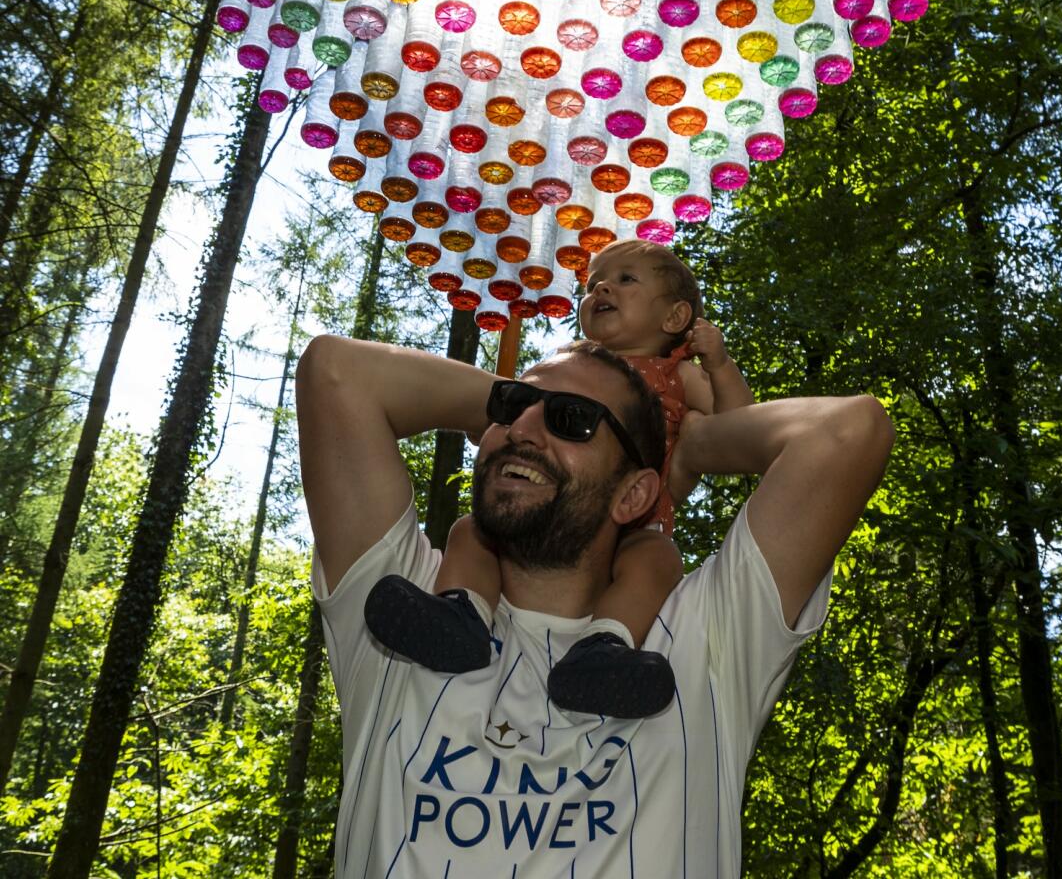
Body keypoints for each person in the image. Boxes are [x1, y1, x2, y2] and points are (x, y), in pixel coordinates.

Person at [297, 328, 892, 877]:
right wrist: (518, 401)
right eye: (511, 410)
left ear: (635, 494)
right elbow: (336, 371)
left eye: (573, 419)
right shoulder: (405, 613)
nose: (523, 429)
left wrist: (690, 440)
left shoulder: (705, 638)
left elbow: (846, 431)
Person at [364, 239, 755, 719]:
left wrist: (719, 364)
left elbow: (741, 429)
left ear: (674, 319)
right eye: (593, 285)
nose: (602, 288)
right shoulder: (564, 366)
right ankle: (460, 612)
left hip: (637, 521)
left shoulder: (681, 375)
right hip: (558, 510)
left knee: (656, 559)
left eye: (625, 279)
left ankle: (607, 645)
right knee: (473, 532)